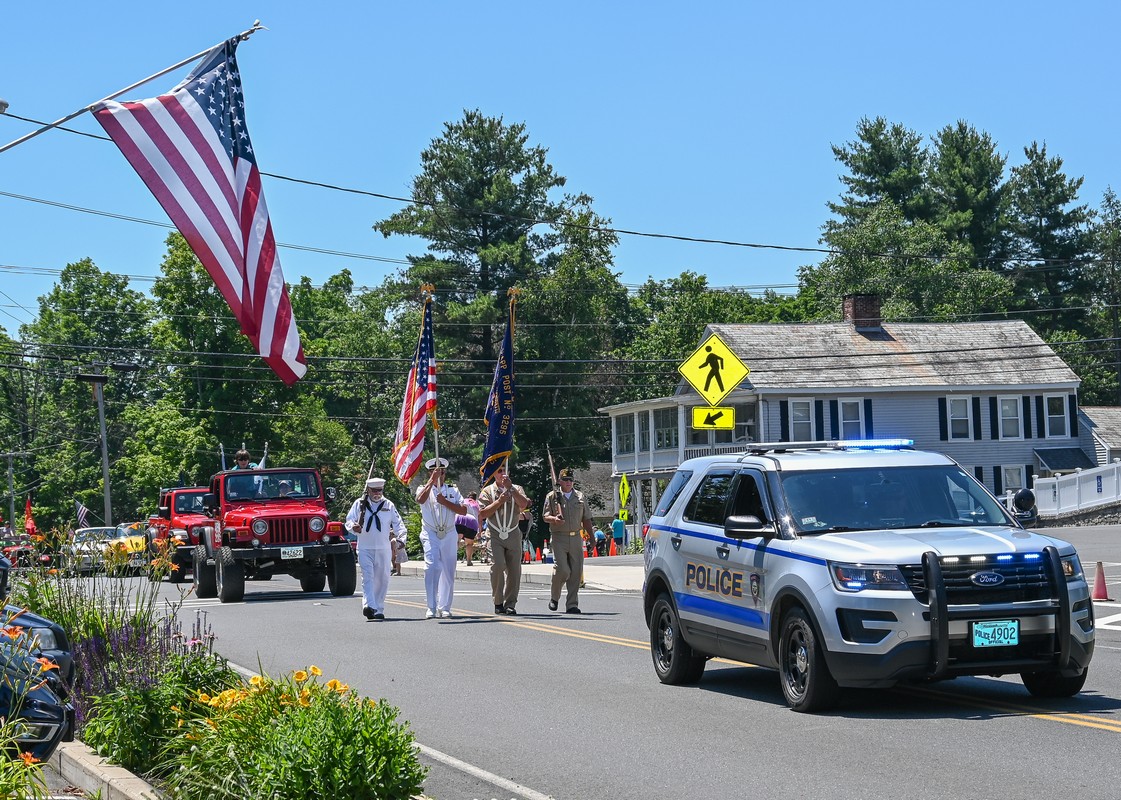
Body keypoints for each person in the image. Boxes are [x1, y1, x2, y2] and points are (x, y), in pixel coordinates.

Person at [344, 478, 406, 621]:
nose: (377, 493)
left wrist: (401, 540)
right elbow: (349, 521)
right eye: (374, 491)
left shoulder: (388, 505)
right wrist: (353, 527)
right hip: (365, 548)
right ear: (368, 490)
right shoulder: (359, 504)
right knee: (368, 577)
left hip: (383, 548)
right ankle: (369, 606)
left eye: (380, 490)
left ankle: (378, 608)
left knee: (382, 579)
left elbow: (399, 524)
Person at [416, 457, 467, 619]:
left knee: (448, 570)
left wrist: (445, 502)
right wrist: (432, 481)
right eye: (436, 472)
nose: (440, 476)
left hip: (449, 533)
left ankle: (445, 607)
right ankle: (431, 606)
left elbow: (463, 510)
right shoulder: (423, 489)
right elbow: (420, 500)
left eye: (442, 473)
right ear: (430, 473)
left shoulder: (453, 490)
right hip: (430, 532)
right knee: (431, 567)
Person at [477, 464, 529, 615]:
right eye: (499, 471)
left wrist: (510, 488)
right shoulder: (487, 491)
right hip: (495, 533)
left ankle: (510, 603)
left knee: (514, 570)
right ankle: (498, 602)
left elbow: (524, 504)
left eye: (505, 470)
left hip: (513, 532)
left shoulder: (517, 488)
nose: (502, 473)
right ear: (494, 474)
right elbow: (482, 513)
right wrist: (499, 501)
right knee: (498, 565)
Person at [542, 467, 594, 613]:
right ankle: (554, 597)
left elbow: (586, 518)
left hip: (576, 536)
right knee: (563, 570)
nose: (568, 482)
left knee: (576, 572)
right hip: (559, 537)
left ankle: (572, 604)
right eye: (565, 480)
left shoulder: (580, 496)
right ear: (559, 481)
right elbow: (545, 516)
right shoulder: (552, 496)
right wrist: (554, 519)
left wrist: (592, 537)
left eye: (570, 479)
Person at [462, 492, 481, 566]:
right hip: (472, 523)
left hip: (460, 521)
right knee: (469, 544)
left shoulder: (463, 501)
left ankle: (450, 558)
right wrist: (479, 530)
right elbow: (480, 518)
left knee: (455, 541)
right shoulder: (477, 504)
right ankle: (469, 561)